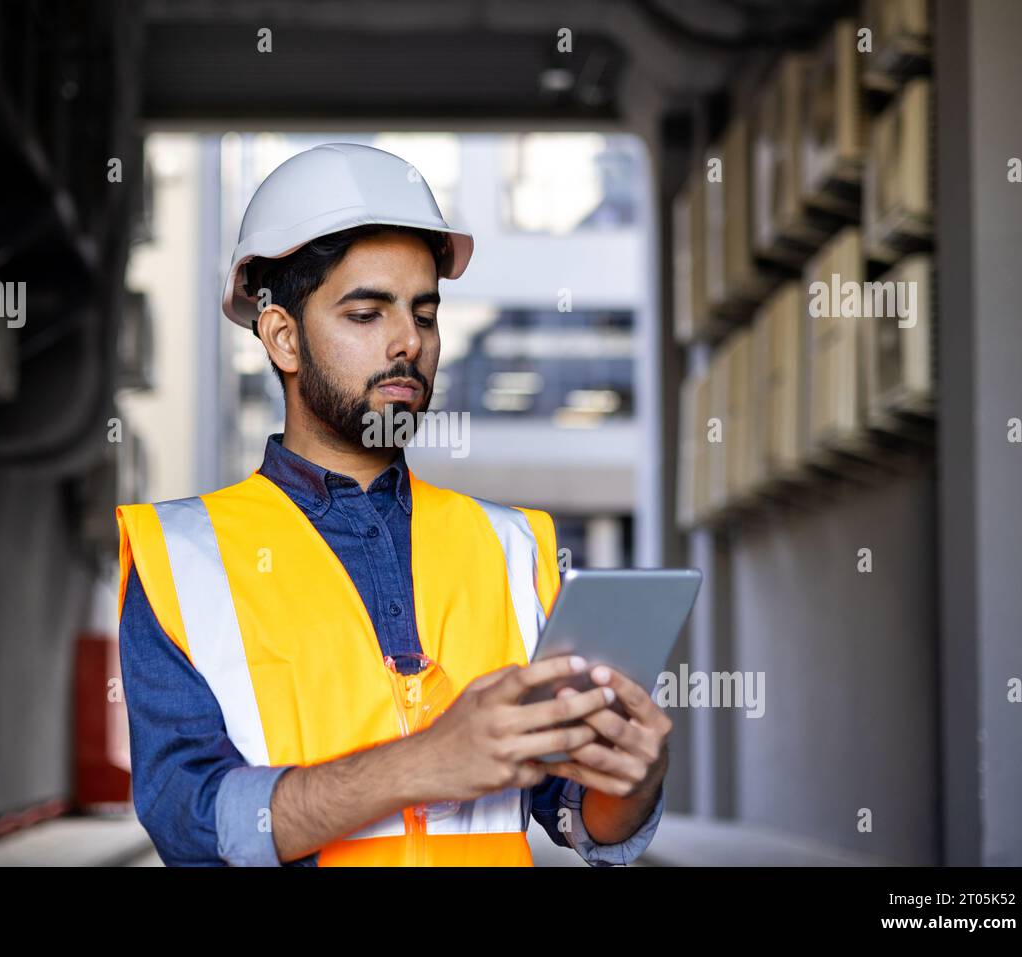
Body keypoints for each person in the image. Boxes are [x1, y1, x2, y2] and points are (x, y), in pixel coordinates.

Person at [115, 142, 670, 866]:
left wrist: (635, 775)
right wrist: (422, 762)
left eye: (425, 313)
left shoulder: (512, 547)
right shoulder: (182, 557)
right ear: (282, 336)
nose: (410, 340)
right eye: (367, 313)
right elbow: (191, 823)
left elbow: (577, 814)